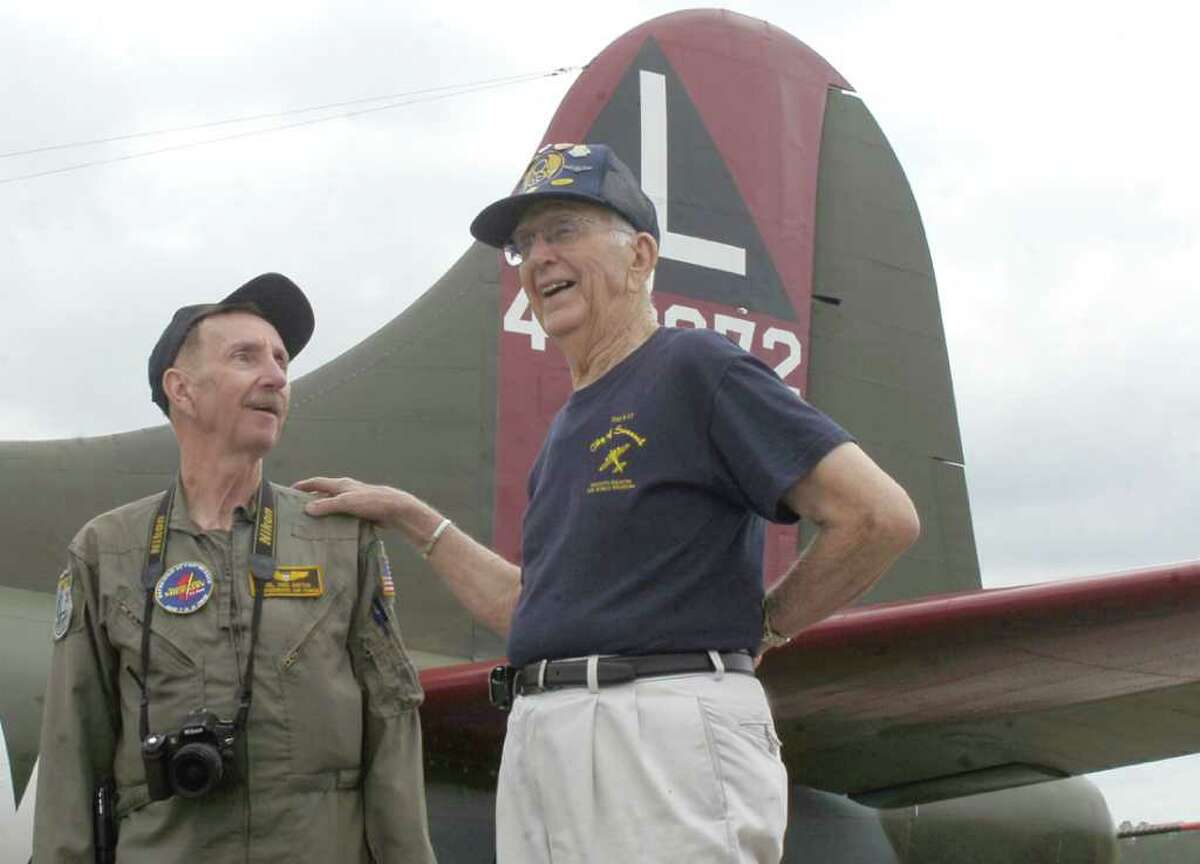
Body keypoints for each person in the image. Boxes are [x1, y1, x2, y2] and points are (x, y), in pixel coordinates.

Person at [297, 143, 919, 863]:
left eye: (563, 230)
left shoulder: (697, 365)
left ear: (641, 255)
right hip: (547, 732)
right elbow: (534, 610)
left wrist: (767, 627)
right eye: (524, 244)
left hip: (660, 730)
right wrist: (412, 516)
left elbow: (879, 517)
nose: (537, 258)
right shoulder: (570, 426)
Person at [33, 273, 437, 863]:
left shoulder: (340, 538)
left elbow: (391, 724)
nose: (276, 375)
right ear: (182, 390)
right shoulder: (106, 551)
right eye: (246, 357)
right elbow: (70, 750)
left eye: (281, 360)